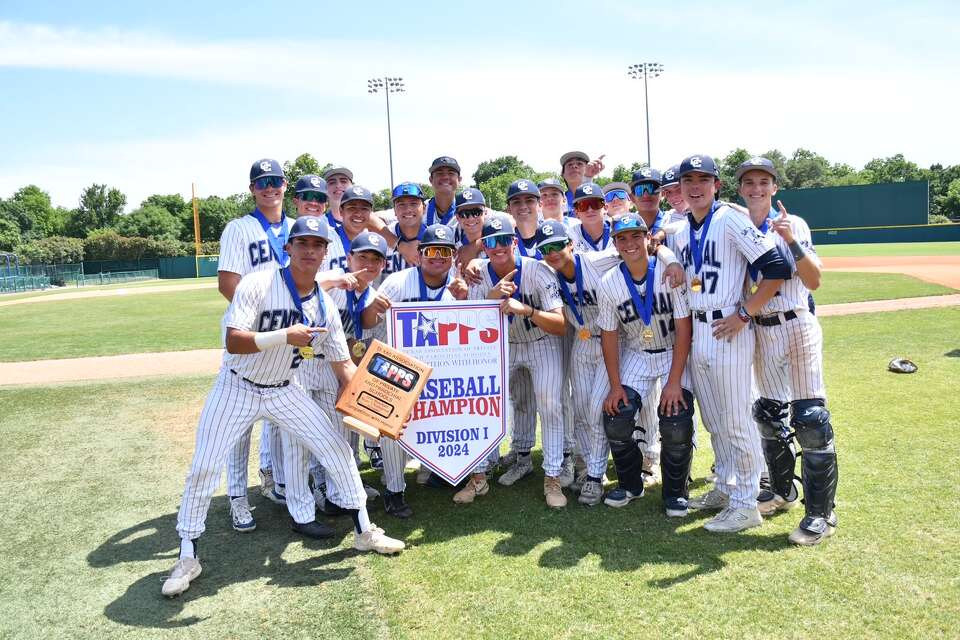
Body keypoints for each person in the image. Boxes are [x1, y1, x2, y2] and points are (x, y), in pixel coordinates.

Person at [161, 216, 405, 598]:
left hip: (283, 389)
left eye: (317, 245)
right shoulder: (258, 284)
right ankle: (188, 553)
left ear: (326, 254)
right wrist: (283, 336)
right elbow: (233, 341)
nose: (309, 251)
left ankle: (364, 532)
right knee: (205, 466)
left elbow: (344, 366)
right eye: (302, 243)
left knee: (335, 448)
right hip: (237, 386)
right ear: (288, 248)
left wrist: (381, 411)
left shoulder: (323, 305)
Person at [671, 154, 790, 533]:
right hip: (699, 329)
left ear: (716, 184)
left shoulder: (730, 219)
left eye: (703, 179)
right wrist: (664, 254)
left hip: (728, 325)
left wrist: (745, 313)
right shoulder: (678, 229)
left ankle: (747, 504)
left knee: (737, 420)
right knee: (715, 421)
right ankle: (725, 487)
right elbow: (659, 243)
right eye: (688, 179)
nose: (695, 186)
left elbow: (776, 268)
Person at [735, 157, 838, 545]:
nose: (757, 188)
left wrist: (790, 240)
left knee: (810, 419)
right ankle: (782, 492)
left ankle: (821, 514)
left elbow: (814, 281)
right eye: (749, 182)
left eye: (764, 181)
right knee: (767, 413)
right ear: (741, 188)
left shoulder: (793, 224)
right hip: (762, 331)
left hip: (795, 323)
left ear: (774, 187)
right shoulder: (739, 227)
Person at [455, 213, 568, 508]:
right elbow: (469, 326)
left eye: (504, 239)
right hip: (504, 346)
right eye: (491, 241)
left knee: (549, 403)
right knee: (487, 402)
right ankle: (481, 474)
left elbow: (560, 323)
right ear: (484, 246)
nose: (498, 247)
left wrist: (526, 310)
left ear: (514, 242)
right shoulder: (477, 272)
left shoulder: (537, 271)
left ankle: (553, 476)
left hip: (540, 342)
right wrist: (490, 300)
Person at [361, 224, 470, 516]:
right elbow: (368, 323)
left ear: (453, 255)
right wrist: (375, 309)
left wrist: (465, 301)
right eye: (431, 250)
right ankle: (395, 490)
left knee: (447, 417)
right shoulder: (397, 282)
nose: (437, 257)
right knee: (393, 427)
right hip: (398, 368)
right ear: (419, 254)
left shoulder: (459, 287)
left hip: (440, 369)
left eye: (444, 251)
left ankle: (440, 469)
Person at [591, 213, 695, 514]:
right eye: (622, 238)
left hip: (672, 352)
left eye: (636, 236)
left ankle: (675, 492)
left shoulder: (668, 270)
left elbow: (684, 328)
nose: (630, 243)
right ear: (615, 244)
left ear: (648, 238)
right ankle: (630, 484)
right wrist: (614, 387)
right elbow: (608, 337)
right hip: (636, 353)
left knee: (676, 420)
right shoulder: (610, 282)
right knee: (617, 416)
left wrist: (674, 382)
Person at [215, 158, 295, 531]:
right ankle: (237, 497)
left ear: (284, 185)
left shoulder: (297, 228)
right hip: (250, 332)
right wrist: (260, 318)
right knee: (239, 420)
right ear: (252, 189)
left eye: (275, 181)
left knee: (285, 412)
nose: (269, 187)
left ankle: (280, 482)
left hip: (290, 334)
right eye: (262, 182)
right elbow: (227, 283)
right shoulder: (239, 228)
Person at [566, 182, 615, 254]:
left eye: (595, 204)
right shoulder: (569, 236)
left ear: (605, 208)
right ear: (576, 212)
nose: (590, 210)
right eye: (583, 205)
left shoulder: (619, 230)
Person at [453, 187, 487, 271]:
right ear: (457, 217)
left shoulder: (498, 242)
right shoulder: (453, 249)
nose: (471, 218)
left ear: (485, 213)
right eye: (464, 214)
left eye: (476, 212)